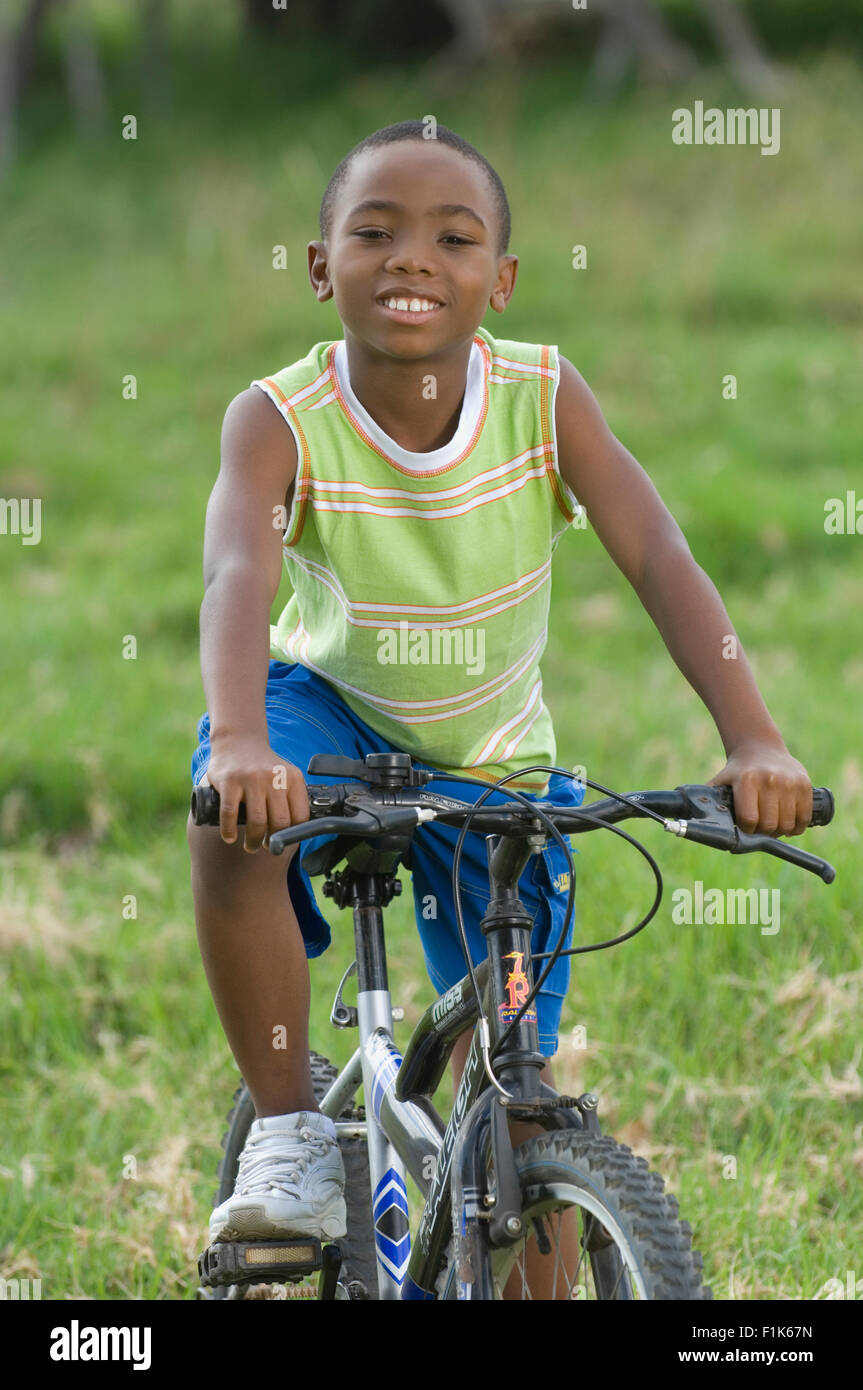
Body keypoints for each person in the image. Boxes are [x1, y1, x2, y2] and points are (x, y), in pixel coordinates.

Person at [187, 120, 812, 1260]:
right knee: (232, 827)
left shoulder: (540, 394)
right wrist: (237, 737)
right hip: (326, 715)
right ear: (321, 267)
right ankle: (284, 1123)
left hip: (495, 756)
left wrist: (753, 738)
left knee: (515, 1114)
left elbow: (658, 556)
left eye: (452, 237)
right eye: (373, 232)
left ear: (502, 281)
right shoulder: (277, 416)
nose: (412, 257)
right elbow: (238, 571)